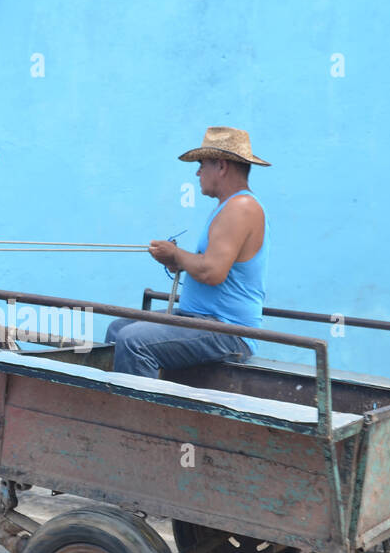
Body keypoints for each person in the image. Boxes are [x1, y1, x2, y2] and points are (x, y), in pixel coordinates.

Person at [106, 126, 269, 377]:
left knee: (133, 340)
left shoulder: (241, 207)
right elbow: (209, 264)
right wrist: (178, 262)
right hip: (200, 319)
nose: (197, 172)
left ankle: (139, 415)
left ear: (222, 166)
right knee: (118, 329)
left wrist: (175, 255)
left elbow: (212, 272)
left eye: (202, 165)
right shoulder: (228, 207)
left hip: (228, 330)